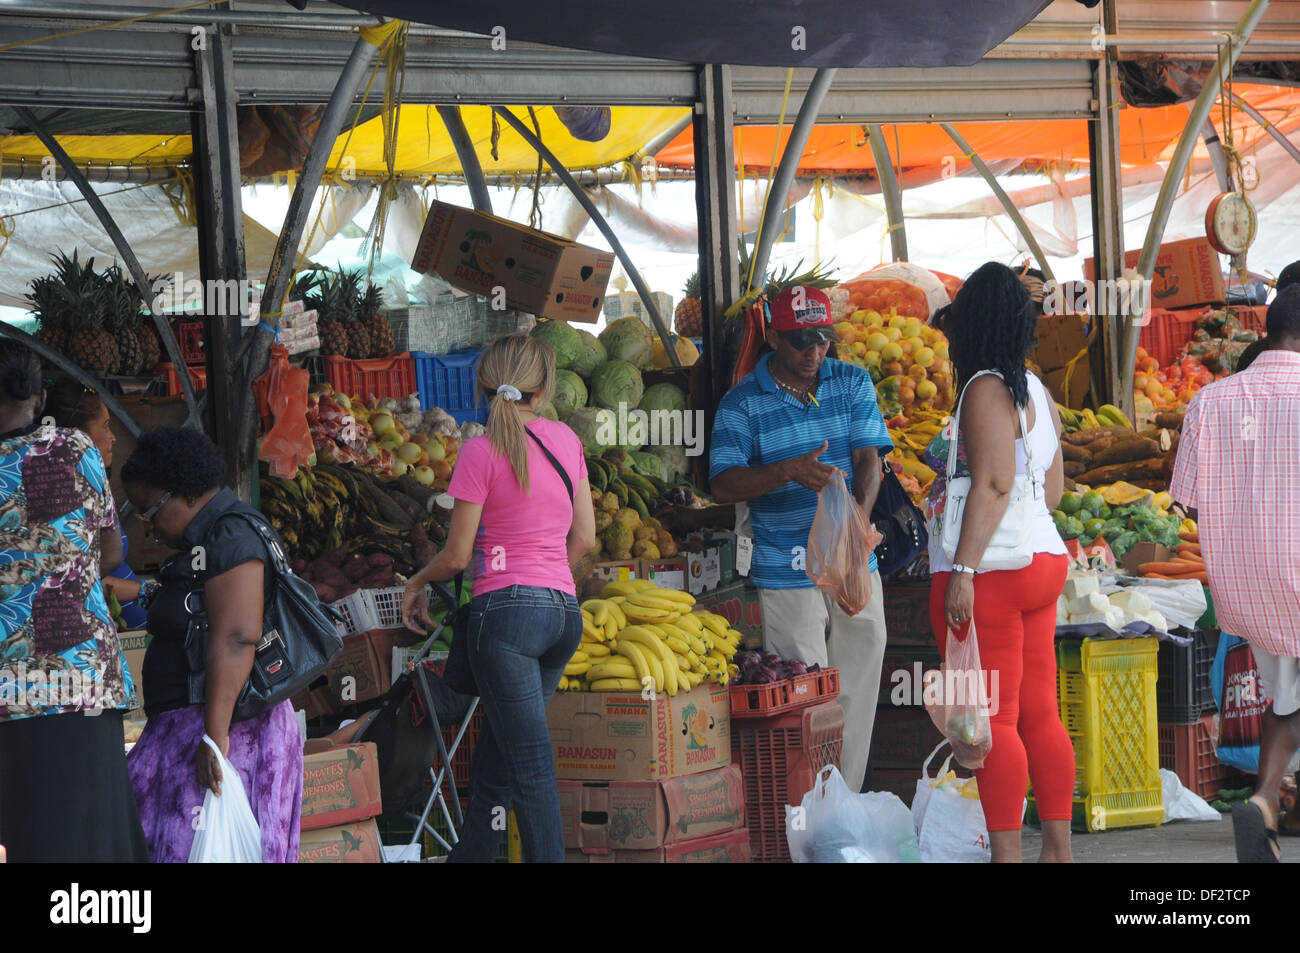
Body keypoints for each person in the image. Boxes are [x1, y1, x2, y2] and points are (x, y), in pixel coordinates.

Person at [401, 333, 595, 863]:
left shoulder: (479, 450)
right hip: (561, 618)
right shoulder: (567, 441)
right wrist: (548, 575)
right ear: (545, 388)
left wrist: (416, 582)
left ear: (485, 386)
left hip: (505, 620)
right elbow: (584, 540)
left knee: (530, 766)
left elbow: (458, 556)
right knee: (496, 767)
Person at [709, 286, 894, 792]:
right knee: (806, 691)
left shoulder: (852, 382)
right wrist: (785, 471)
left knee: (858, 676)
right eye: (798, 342)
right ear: (772, 337)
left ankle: (845, 802)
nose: (813, 352)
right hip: (782, 567)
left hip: (853, 561)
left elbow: (868, 460)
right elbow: (723, 482)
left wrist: (856, 524)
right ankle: (810, 809)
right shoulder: (741, 403)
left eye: (822, 339)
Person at [921, 262, 1074, 863]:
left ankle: (1006, 857)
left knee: (995, 721)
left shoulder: (985, 386)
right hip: (1042, 559)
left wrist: (963, 570)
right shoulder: (1035, 388)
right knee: (1040, 713)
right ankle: (1057, 851)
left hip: (995, 573)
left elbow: (991, 483)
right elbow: (1054, 491)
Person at [122, 427, 303, 863]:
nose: (146, 523)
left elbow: (238, 635)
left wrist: (213, 738)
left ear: (181, 492)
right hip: (199, 727)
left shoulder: (230, 535)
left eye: (150, 510)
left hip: (232, 734)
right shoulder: (209, 538)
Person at [0, 340, 148, 862]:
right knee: (90, 842)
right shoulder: (76, 449)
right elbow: (110, 551)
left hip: (9, 687)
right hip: (81, 679)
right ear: (38, 399)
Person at [1171, 284, 1300, 863]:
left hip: (1246, 591)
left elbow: (1188, 503)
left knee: (1286, 699)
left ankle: (1266, 798)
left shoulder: (1211, 401)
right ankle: (1270, 797)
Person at [47, 379, 149, 628]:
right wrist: (144, 592)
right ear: (77, 436)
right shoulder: (56, 497)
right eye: (105, 426)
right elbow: (67, 578)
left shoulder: (91, 482)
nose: (112, 437)